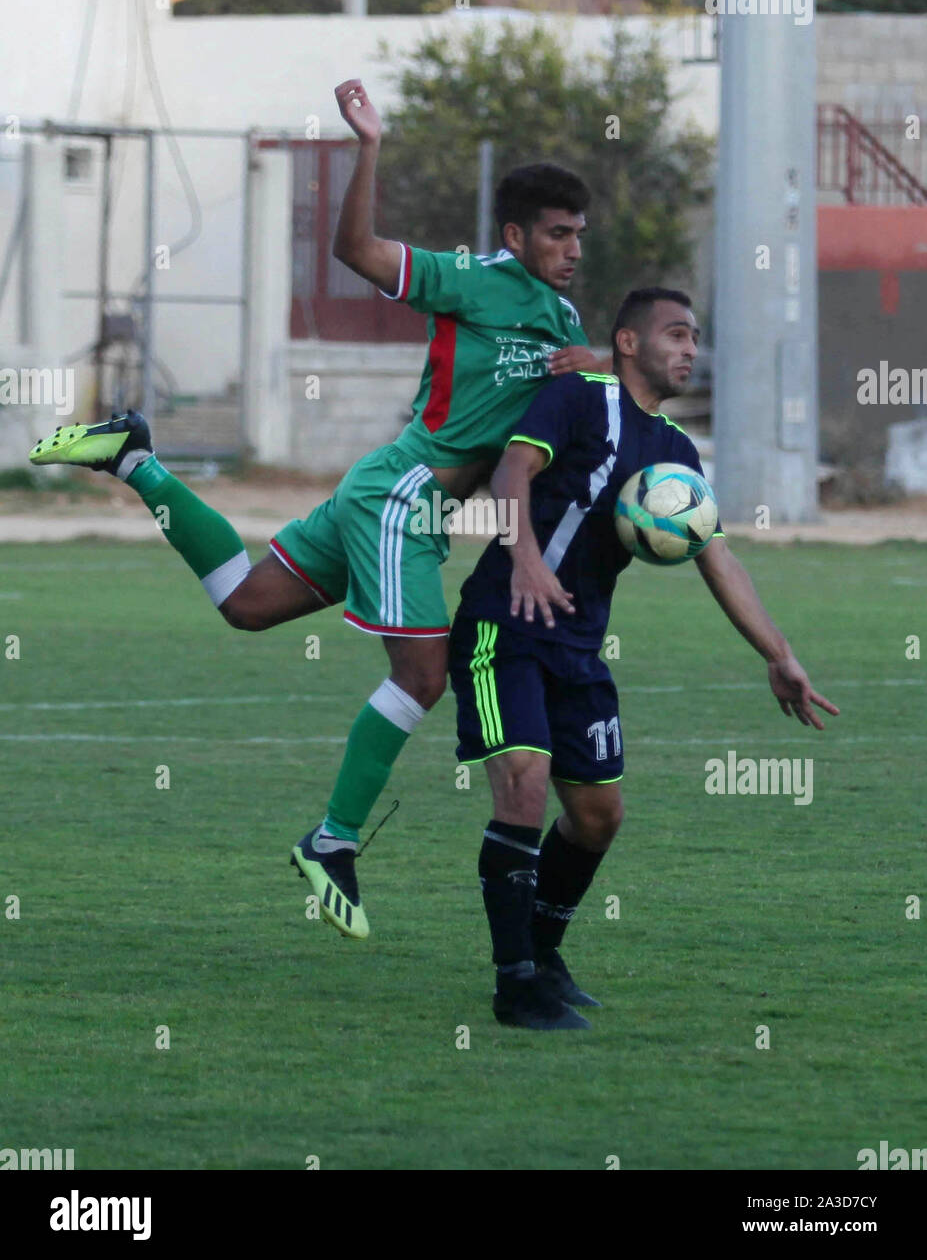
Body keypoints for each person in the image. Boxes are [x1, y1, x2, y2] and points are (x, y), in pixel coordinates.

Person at [29, 78, 605, 940]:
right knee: (421, 674)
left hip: (391, 493)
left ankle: (136, 458)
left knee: (246, 605)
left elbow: (543, 433)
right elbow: (359, 251)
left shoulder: (561, 317)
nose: (570, 250)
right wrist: (368, 148)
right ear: (515, 234)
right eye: (556, 234)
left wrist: (588, 368)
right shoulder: (467, 279)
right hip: (405, 493)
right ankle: (332, 841)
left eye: (579, 236)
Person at [448, 287, 840, 1029]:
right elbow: (511, 474)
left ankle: (544, 949)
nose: (689, 348)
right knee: (524, 784)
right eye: (675, 334)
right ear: (626, 342)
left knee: (597, 817)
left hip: (578, 650)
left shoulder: (676, 453)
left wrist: (778, 655)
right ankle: (514, 984)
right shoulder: (577, 398)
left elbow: (717, 557)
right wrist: (523, 559)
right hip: (507, 625)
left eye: (694, 337)